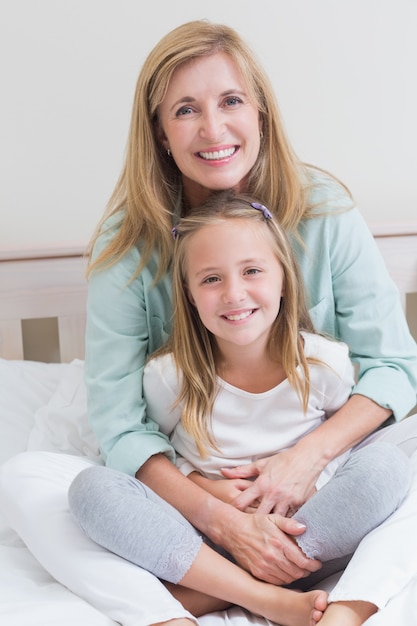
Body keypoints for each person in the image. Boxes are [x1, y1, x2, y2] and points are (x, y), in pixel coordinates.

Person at [1, 17, 417, 626]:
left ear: (261, 115)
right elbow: (123, 425)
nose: (213, 128)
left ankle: (310, 600)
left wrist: (303, 461)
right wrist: (218, 512)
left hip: (317, 485)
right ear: (161, 134)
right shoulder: (127, 244)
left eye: (230, 101)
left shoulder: (323, 211)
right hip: (196, 488)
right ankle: (262, 587)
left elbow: (394, 368)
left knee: (402, 462)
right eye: (186, 110)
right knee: (26, 480)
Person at [69, 192, 411, 624]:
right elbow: (159, 457)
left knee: (386, 465)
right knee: (91, 490)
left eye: (252, 271)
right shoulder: (170, 377)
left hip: (305, 529)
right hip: (204, 538)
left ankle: (228, 589)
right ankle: (261, 586)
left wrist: (305, 487)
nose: (234, 293)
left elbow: (346, 455)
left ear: (284, 279)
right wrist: (211, 495)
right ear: (190, 295)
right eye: (211, 279)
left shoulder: (324, 365)